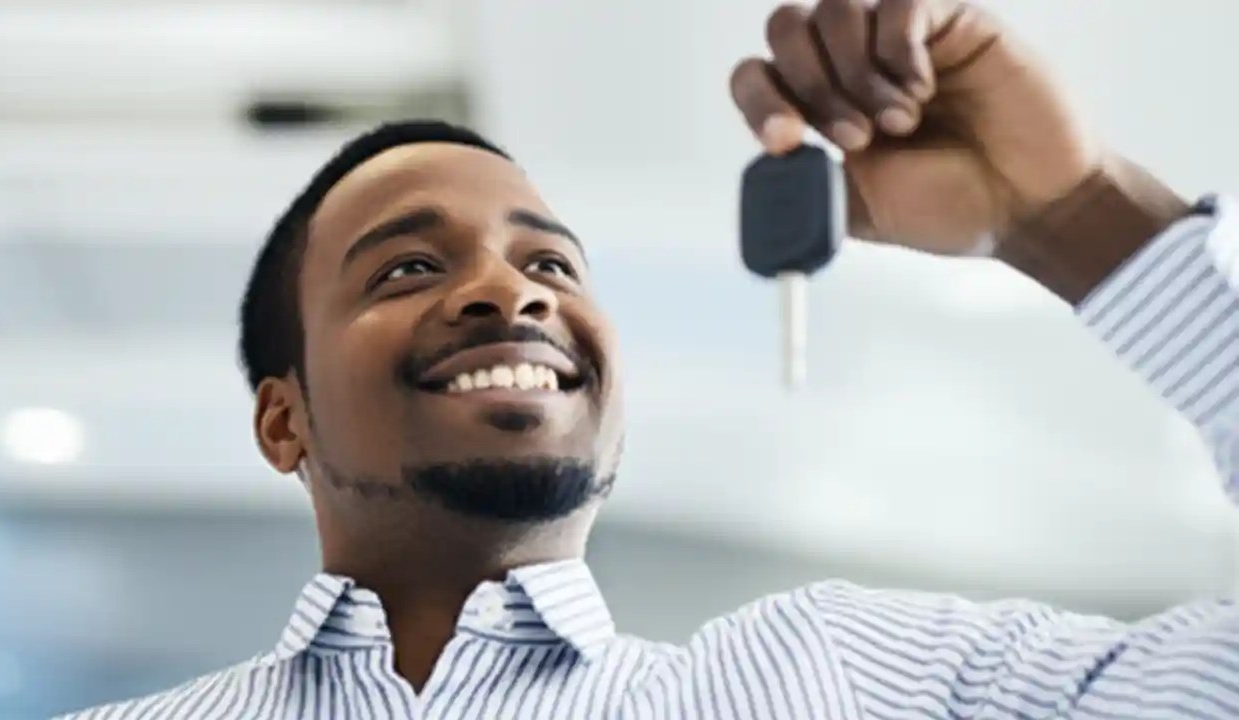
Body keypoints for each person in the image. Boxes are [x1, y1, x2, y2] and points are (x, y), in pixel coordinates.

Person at [61, 0, 1239, 718]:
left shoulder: (858, 682)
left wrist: (1076, 215)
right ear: (284, 422)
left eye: (554, 267)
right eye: (405, 269)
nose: (509, 290)